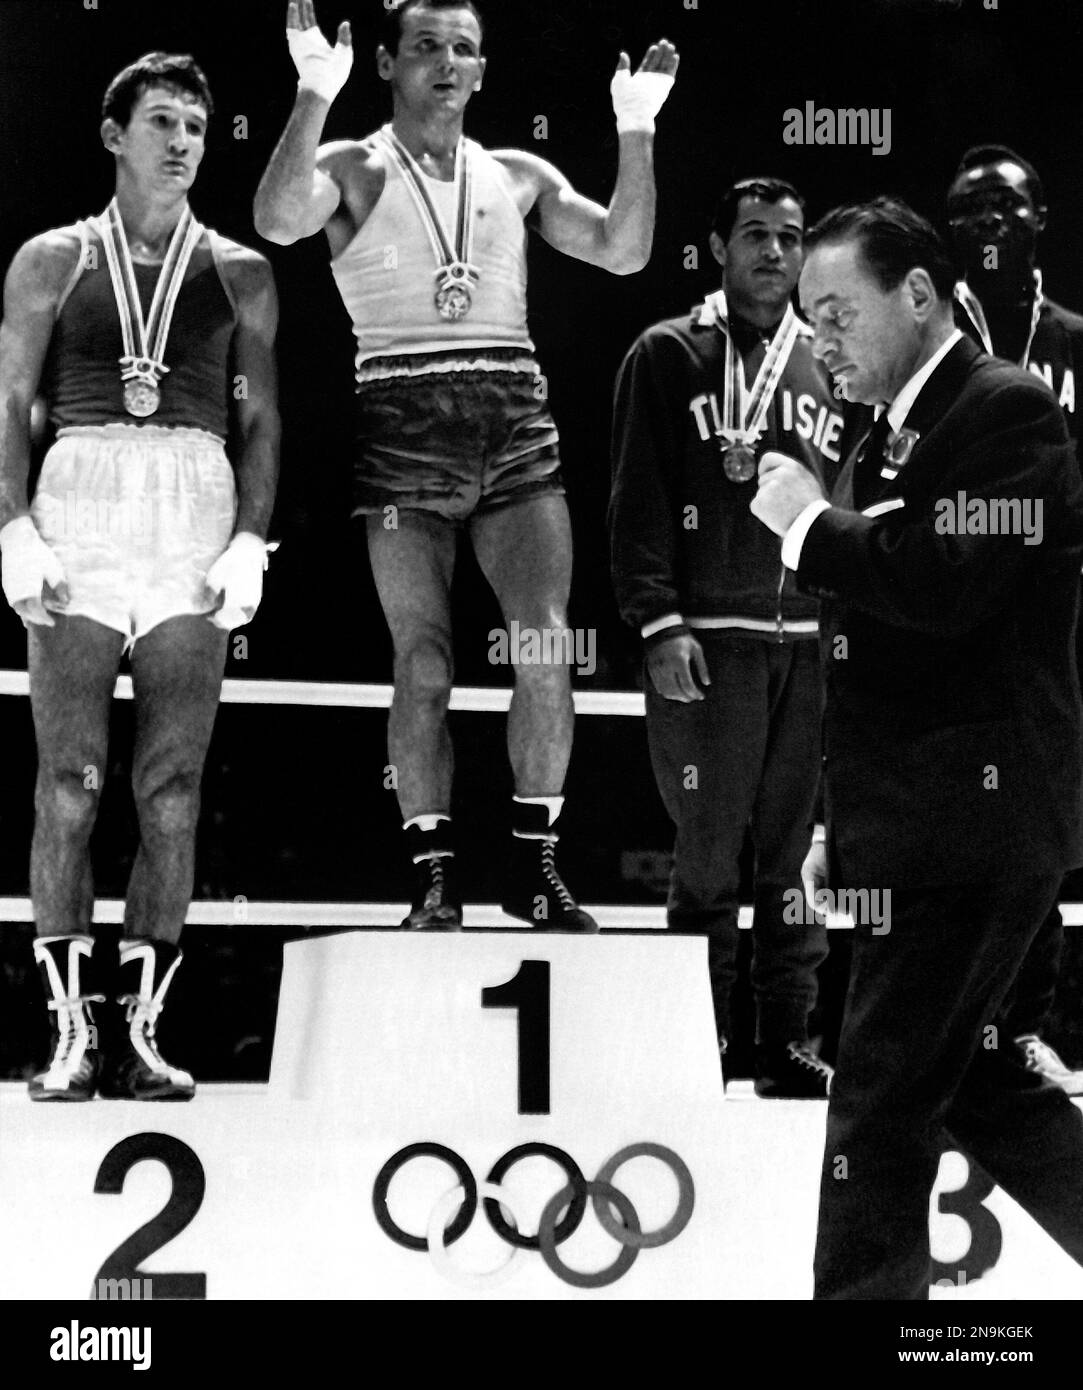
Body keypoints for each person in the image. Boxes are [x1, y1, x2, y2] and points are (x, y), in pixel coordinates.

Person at [253, 0, 677, 930]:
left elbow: (624, 249)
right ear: (386, 63)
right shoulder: (352, 165)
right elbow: (279, 221)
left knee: (546, 648)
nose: (445, 64)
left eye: (463, 49)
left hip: (513, 419)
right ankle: (434, 874)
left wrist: (635, 128)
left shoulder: (515, 173)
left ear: (484, 70)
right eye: (425, 48)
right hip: (400, 424)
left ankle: (535, 867)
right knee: (425, 662)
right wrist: (310, 92)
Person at [751, 196, 1083, 1298]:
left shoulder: (1007, 408)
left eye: (839, 311)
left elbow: (944, 583)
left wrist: (805, 523)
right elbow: (892, 650)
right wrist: (838, 819)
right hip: (933, 819)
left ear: (923, 295)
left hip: (970, 826)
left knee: (881, 1101)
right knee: (980, 1082)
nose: (822, 340)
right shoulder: (891, 427)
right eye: (809, 321)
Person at [0, 52, 280, 1100]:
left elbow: (262, 417)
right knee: (69, 783)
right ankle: (68, 1030)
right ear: (114, 135)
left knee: (169, 791)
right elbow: (6, 397)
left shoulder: (242, 270)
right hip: (80, 498)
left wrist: (251, 535)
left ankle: (143, 1031)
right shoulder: (50, 260)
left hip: (193, 505)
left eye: (197, 129)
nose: (181, 143)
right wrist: (12, 524)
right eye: (161, 122)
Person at [609, 178, 841, 1096]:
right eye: (754, 234)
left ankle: (785, 1043)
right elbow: (635, 496)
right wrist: (656, 621)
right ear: (716, 246)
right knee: (705, 857)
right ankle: (697, 1045)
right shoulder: (666, 352)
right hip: (706, 637)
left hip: (809, 640)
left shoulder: (830, 356)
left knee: (793, 855)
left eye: (790, 236)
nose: (774, 253)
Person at [948, 143, 1083, 1095]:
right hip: (949, 603)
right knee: (954, 818)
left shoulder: (1072, 338)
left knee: (1042, 821)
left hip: (1055, 613)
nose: (987, 224)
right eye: (968, 212)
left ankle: (1022, 1025)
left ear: (1041, 220)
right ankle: (955, 1029)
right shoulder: (927, 338)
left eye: (1006, 207)